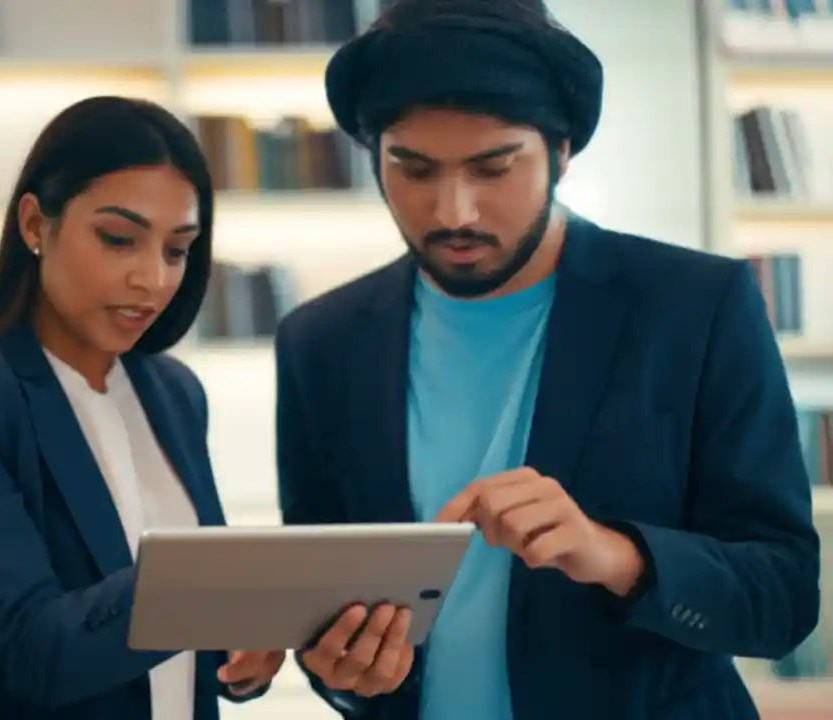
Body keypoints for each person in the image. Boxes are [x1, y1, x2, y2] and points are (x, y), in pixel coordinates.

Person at [274, 1, 822, 719]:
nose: (454, 211)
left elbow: (782, 596)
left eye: (493, 167)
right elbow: (323, 615)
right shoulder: (321, 341)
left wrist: (615, 554)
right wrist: (343, 672)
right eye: (412, 168)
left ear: (561, 151)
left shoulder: (694, 306)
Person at [0, 95, 412, 719]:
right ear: (34, 225)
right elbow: (32, 653)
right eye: (118, 240)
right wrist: (219, 582)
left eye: (177, 250)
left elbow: (190, 654)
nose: (154, 280)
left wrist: (244, 651)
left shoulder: (173, 393)